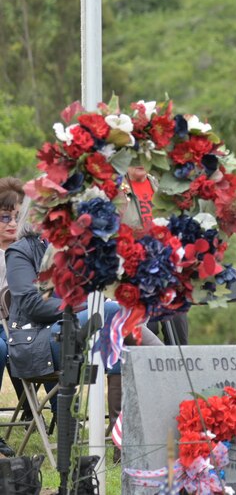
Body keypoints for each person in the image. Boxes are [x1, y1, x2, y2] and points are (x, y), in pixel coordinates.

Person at [4, 196, 162, 462]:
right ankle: (166, 366)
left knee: (119, 321)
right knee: (113, 314)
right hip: (38, 342)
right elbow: (32, 305)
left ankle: (124, 440)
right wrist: (88, 304)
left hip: (85, 333)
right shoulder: (20, 251)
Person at [124, 165, 189, 346]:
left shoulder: (159, 187)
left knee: (178, 314)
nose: (139, 161)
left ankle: (179, 363)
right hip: (128, 276)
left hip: (161, 273)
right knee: (148, 329)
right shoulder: (115, 189)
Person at [0, 176, 24, 457]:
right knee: (3, 346)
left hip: (21, 324)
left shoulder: (25, 251)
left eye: (16, 217)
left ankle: (63, 417)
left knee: (50, 337)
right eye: (5, 217)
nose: (12, 223)